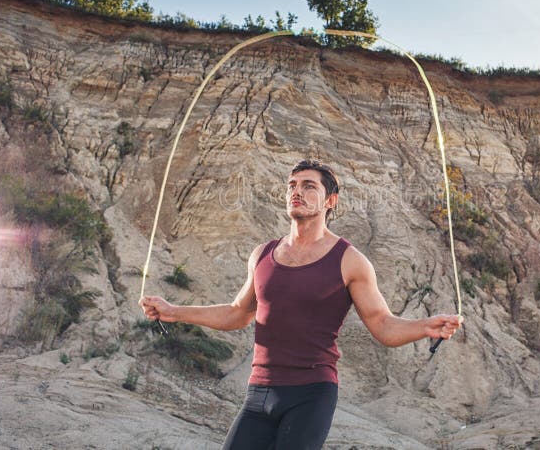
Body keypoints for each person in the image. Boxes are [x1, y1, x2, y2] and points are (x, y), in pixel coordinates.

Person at [139, 159, 462, 449]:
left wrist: (424, 327)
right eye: (292, 186)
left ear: (330, 201)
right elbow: (238, 313)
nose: (298, 192)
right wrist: (173, 311)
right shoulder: (262, 254)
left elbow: (382, 324)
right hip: (258, 392)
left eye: (309, 186)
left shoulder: (350, 261)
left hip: (311, 393)